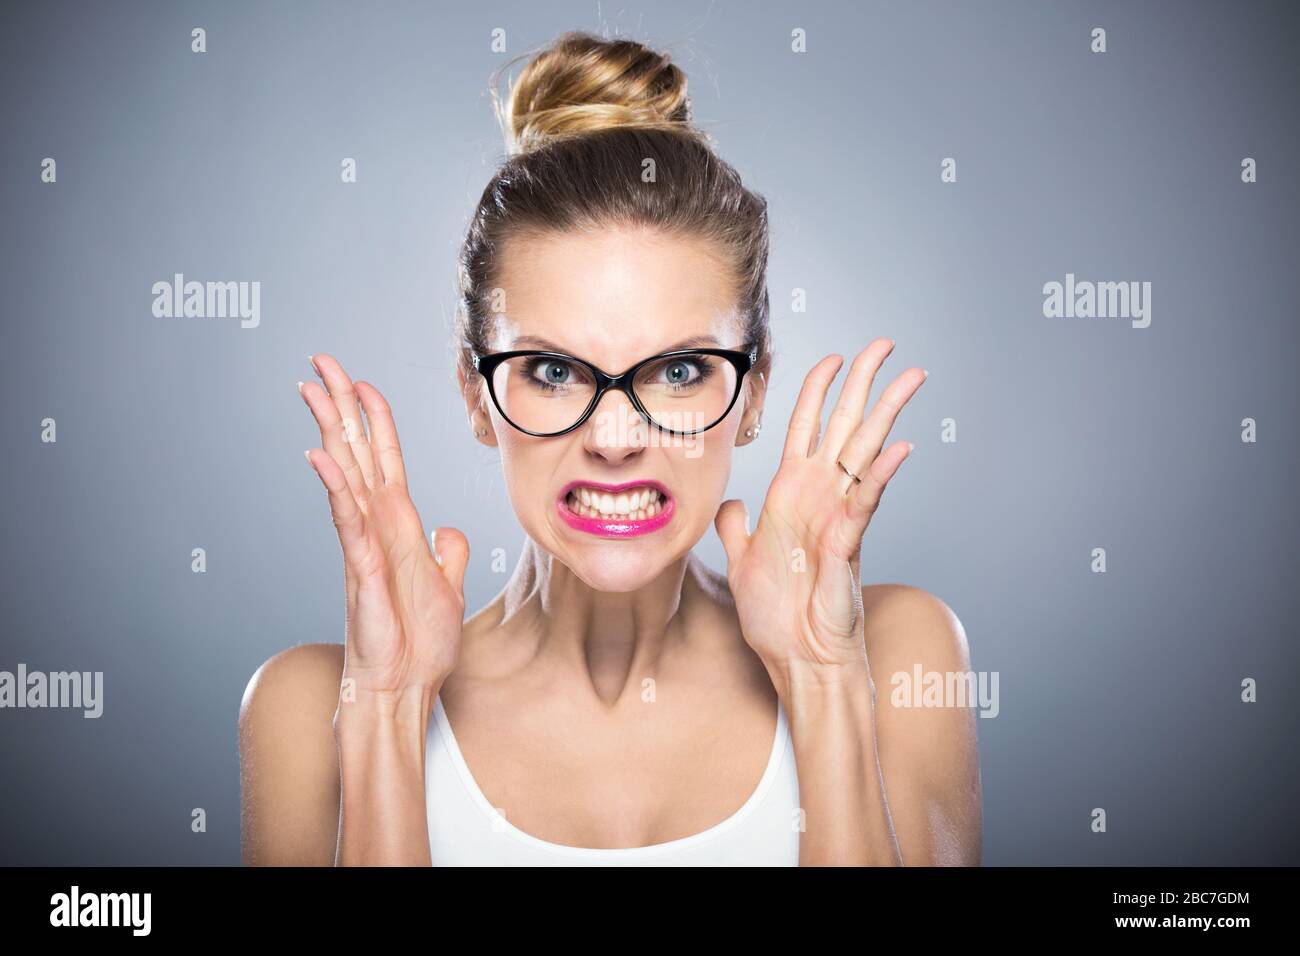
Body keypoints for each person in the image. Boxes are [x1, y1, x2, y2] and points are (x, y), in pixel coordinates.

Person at [239, 30, 981, 866]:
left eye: (678, 369)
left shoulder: (898, 655)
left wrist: (821, 679)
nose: (616, 438)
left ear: (754, 394)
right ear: (478, 398)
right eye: (553, 369)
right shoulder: (309, 708)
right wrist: (385, 708)